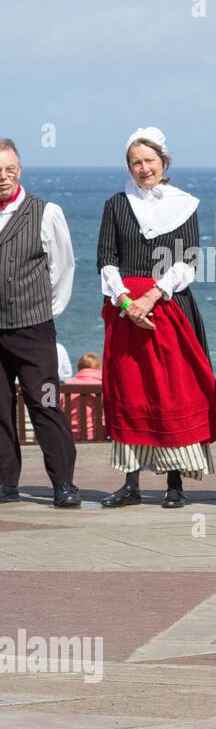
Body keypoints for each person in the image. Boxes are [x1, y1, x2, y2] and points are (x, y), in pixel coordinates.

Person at [97, 128, 216, 509]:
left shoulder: (184, 205)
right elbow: (106, 258)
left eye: (149, 161)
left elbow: (187, 262)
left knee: (172, 390)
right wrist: (126, 303)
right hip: (125, 312)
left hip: (169, 307)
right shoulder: (115, 205)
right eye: (136, 162)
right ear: (129, 166)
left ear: (164, 162)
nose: (143, 168)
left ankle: (175, 484)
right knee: (130, 391)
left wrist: (152, 297)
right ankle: (130, 483)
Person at [0, 137, 80, 507]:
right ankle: (5, 482)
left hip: (34, 328)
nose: (3, 177)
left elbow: (63, 268)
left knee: (45, 403)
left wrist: (46, 313)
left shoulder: (46, 212)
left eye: (10, 170)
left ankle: (63, 483)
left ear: (20, 170)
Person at [64, 352, 103, 441]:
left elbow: (63, 407)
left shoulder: (69, 384)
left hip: (71, 433)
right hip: (95, 433)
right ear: (98, 368)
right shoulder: (101, 385)